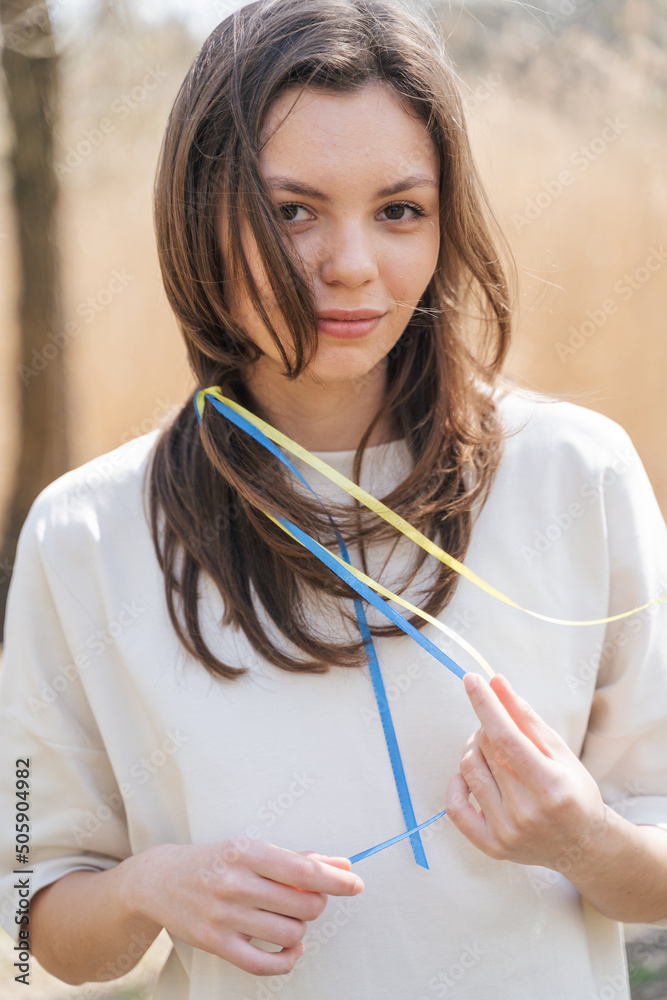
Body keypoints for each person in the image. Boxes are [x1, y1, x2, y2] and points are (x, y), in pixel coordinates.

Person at [1, 0, 667, 996]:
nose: (351, 265)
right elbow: (34, 914)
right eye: (291, 210)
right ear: (198, 214)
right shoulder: (84, 531)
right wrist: (150, 888)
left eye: (399, 210)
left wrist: (582, 839)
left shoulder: (582, 472)